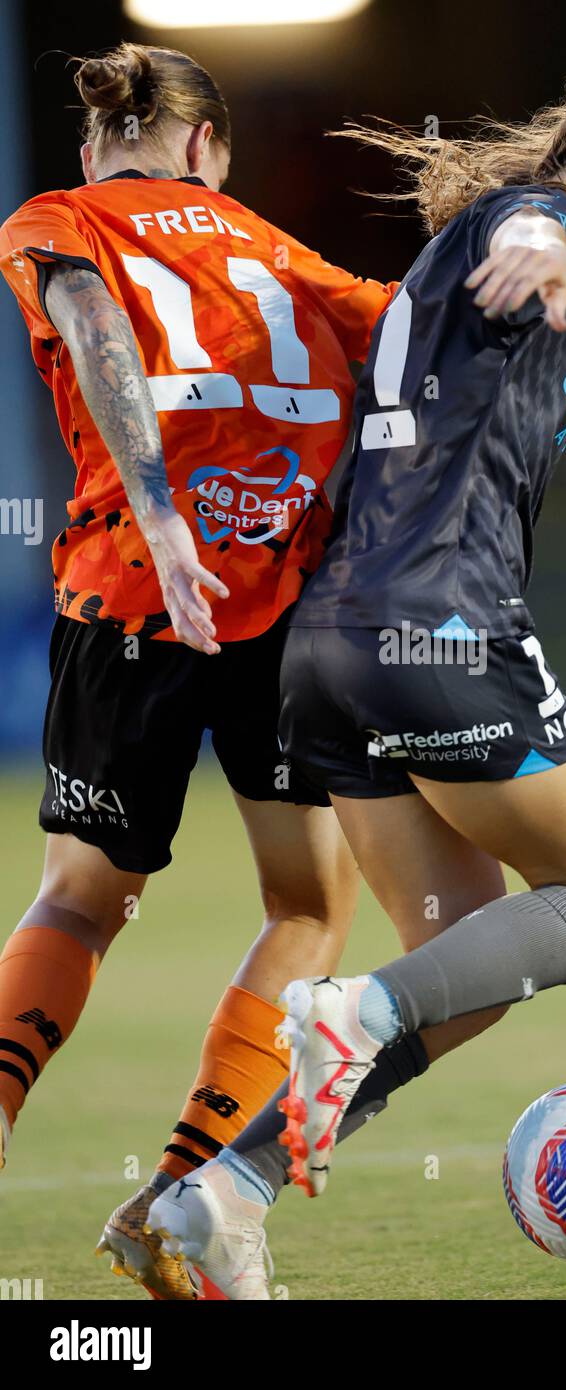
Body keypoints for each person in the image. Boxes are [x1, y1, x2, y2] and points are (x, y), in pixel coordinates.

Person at [146, 50, 566, 1295]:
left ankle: (223, 1193)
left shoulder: (475, 238)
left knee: (466, 965)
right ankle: (343, 1012)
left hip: (331, 653)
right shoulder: (538, 226)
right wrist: (543, 242)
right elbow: (534, 230)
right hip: (442, 634)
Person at [0, 40, 417, 1301]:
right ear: (205, 145)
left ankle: (160, 1184)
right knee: (307, 907)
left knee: (79, 904)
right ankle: (187, 1191)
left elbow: (89, 322)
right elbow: (419, 340)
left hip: (133, 588)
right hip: (280, 619)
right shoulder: (282, 254)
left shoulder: (55, 215)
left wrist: (165, 517)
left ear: (100, 146)